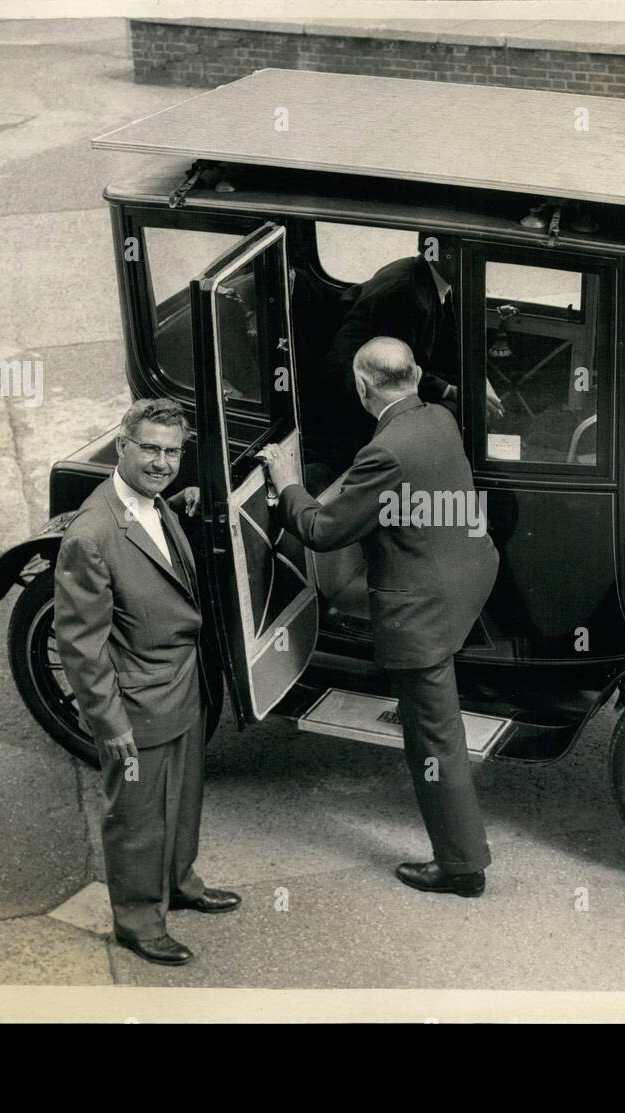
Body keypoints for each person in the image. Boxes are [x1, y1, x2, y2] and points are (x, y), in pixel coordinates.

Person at [259, 337, 499, 897]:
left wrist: (287, 480)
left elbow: (322, 531)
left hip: (424, 609)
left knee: (435, 740)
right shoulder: (438, 416)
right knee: (434, 716)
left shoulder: (385, 452)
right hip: (470, 574)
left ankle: (463, 867)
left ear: (363, 387)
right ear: (415, 372)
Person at [54, 398, 240, 965]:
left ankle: (179, 883)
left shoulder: (155, 504)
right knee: (137, 816)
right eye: (150, 449)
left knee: (182, 798)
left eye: (172, 451)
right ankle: (138, 919)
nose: (162, 462)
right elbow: (81, 646)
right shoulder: (91, 535)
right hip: (137, 701)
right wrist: (108, 723)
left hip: (182, 684)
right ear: (122, 448)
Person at [307, 252, 502, 483]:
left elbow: (450, 341)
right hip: (358, 389)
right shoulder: (404, 294)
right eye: (465, 258)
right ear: (443, 256)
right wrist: (451, 391)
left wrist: (478, 379)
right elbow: (395, 371)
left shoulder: (433, 278)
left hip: (392, 372)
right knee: (452, 415)